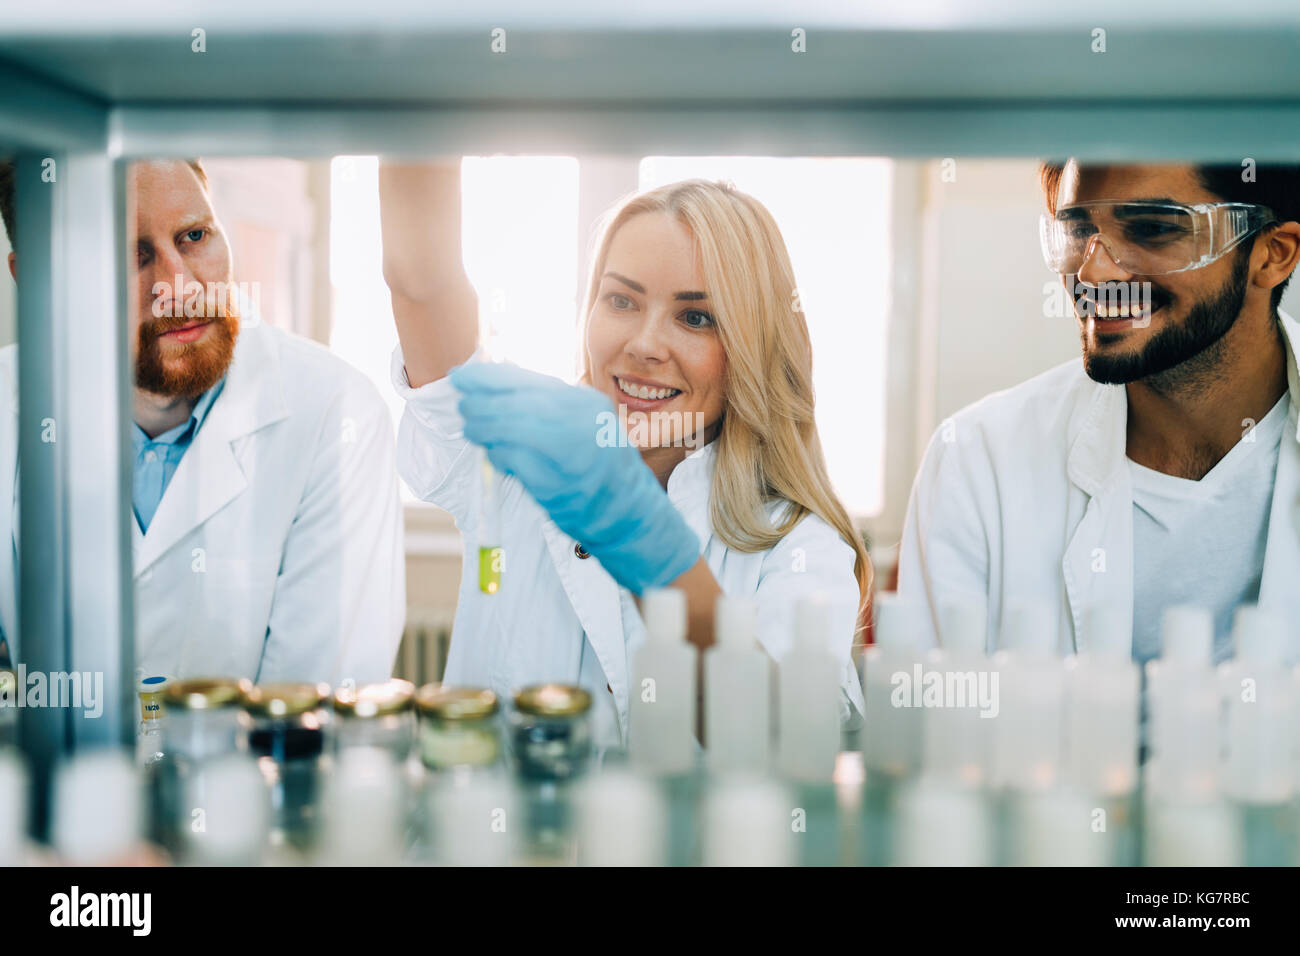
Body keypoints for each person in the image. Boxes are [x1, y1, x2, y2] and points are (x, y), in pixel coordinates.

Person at [380, 161, 870, 748]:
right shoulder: (517, 459)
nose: (643, 344)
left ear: (751, 348)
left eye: (695, 317)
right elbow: (418, 279)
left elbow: (783, 741)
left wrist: (644, 541)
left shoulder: (797, 546)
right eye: (621, 300)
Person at [0, 158, 405, 685]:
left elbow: (309, 718)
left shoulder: (336, 415)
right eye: (129, 256)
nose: (181, 286)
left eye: (194, 235)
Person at [897, 160, 1300, 664]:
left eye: (1153, 228)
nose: (1094, 271)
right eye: (1078, 230)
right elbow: (932, 728)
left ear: (1273, 254)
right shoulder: (976, 458)